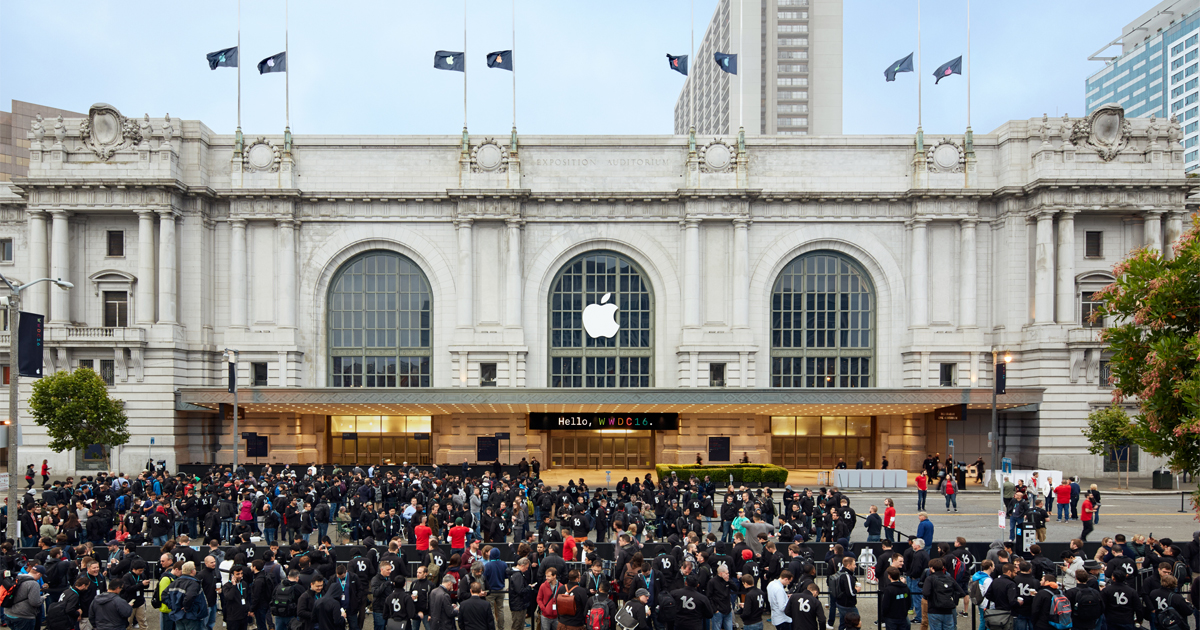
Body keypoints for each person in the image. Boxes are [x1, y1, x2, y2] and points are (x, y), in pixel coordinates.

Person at [922, 559, 965, 630]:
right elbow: (961, 592)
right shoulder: (949, 578)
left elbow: (926, 593)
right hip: (948, 610)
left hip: (934, 610)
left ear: (931, 568)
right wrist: (952, 598)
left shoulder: (930, 579)